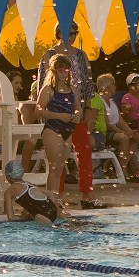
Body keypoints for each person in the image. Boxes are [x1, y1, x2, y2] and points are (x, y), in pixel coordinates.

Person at [37, 23, 103, 210]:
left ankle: (87, 194)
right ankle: (56, 197)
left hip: (77, 110)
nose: (71, 36)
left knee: (84, 152)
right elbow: (42, 83)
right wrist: (47, 112)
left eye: (74, 33)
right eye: (68, 32)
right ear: (58, 33)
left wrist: (88, 109)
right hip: (55, 111)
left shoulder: (81, 56)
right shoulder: (49, 55)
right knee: (57, 159)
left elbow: (87, 84)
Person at [36, 54, 82, 205]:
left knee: (60, 168)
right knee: (54, 167)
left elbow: (78, 107)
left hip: (67, 131)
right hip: (52, 129)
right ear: (54, 71)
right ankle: (52, 201)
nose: (63, 72)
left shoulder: (72, 90)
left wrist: (77, 115)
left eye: (66, 69)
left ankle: (53, 200)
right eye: (60, 69)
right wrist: (59, 116)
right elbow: (38, 111)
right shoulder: (48, 89)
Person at [95, 73, 139, 177]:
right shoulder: (99, 101)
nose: (115, 87)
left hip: (114, 130)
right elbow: (107, 124)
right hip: (104, 131)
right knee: (124, 138)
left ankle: (122, 166)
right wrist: (125, 133)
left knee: (136, 137)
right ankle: (121, 171)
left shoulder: (112, 103)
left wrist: (130, 131)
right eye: (114, 85)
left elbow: (120, 121)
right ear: (107, 86)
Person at [2, 160, 66, 225]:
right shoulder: (29, 184)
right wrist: (57, 210)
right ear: (22, 173)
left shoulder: (8, 192)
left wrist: (21, 218)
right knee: (28, 213)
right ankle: (59, 215)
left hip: (41, 215)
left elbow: (11, 218)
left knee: (37, 217)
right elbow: (50, 194)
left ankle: (46, 222)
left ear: (7, 177)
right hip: (53, 210)